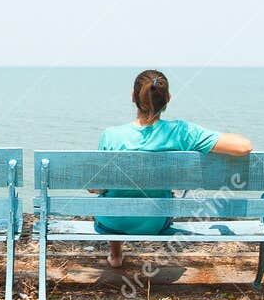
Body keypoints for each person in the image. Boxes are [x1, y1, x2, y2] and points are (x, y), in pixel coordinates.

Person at [95, 69, 252, 268]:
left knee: (113, 198)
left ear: (133, 96)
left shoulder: (111, 135)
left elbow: (96, 187)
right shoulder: (183, 132)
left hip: (111, 221)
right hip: (154, 221)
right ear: (168, 98)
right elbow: (243, 146)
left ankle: (115, 256)